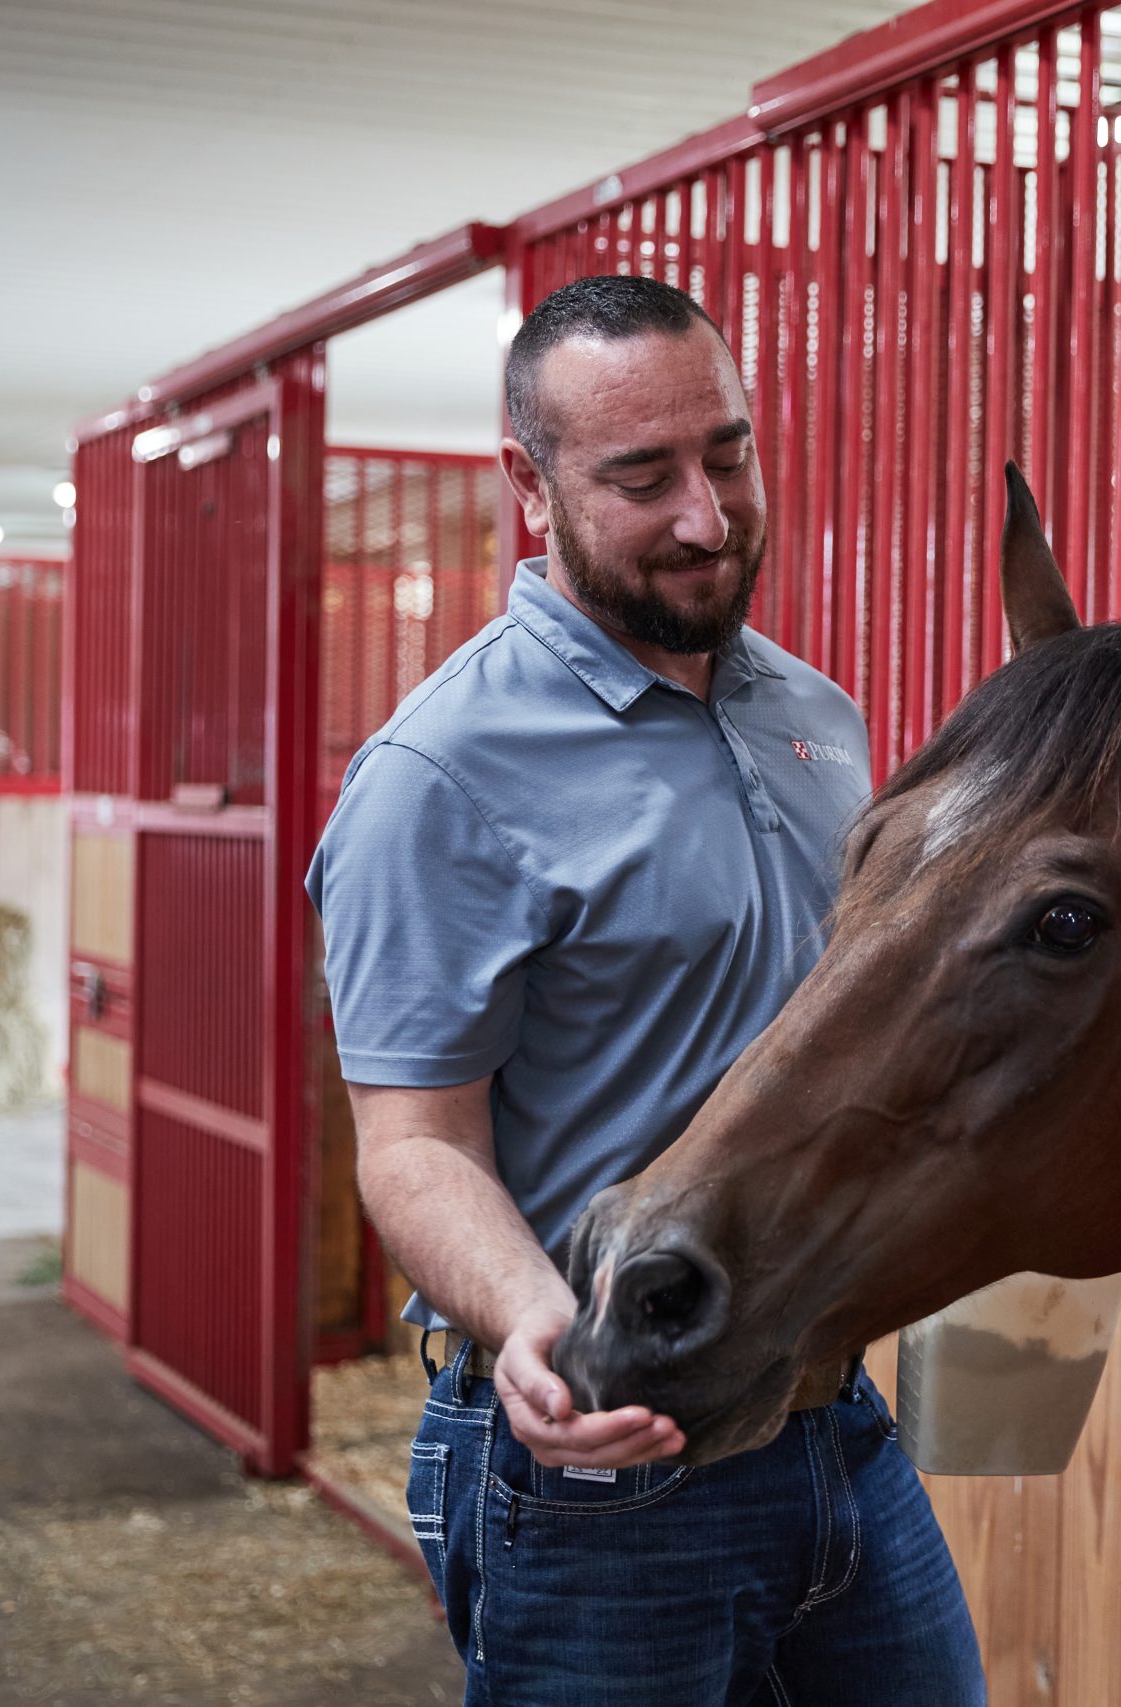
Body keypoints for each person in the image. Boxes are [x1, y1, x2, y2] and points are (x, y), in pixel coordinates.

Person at [306, 274, 985, 1705]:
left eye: (727, 453)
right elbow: (415, 1140)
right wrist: (528, 1317)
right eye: (641, 476)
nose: (706, 515)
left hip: (831, 1424)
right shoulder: (439, 778)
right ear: (530, 485)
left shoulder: (814, 716)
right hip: (606, 1459)